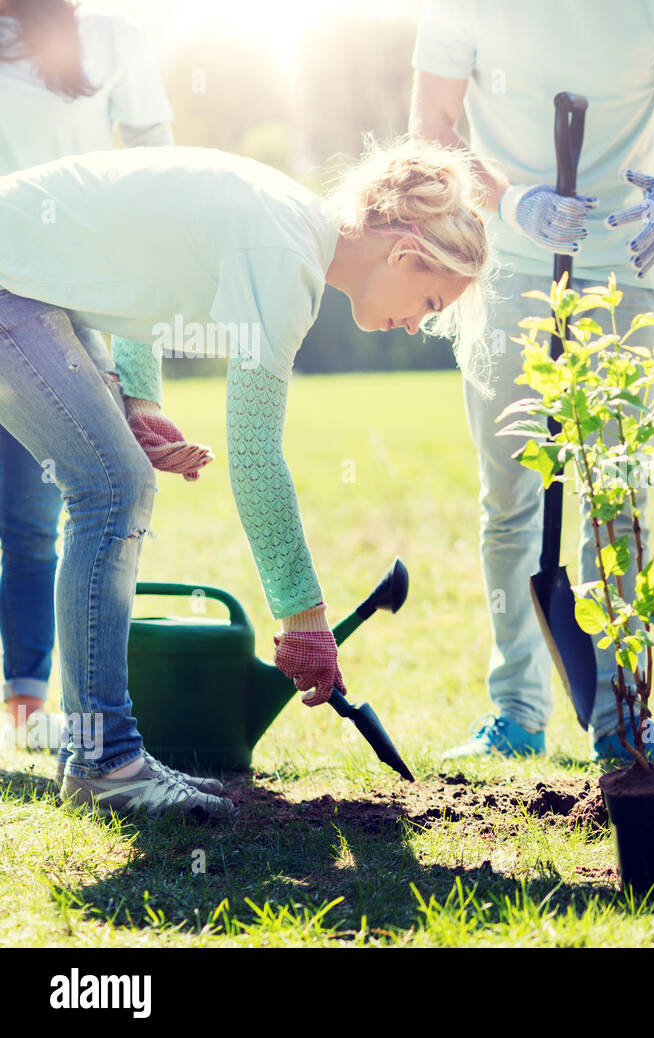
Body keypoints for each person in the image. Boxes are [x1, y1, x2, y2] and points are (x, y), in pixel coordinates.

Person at [0, 138, 488, 817]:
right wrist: (305, 621)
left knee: (114, 481)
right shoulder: (285, 259)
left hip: (27, 283)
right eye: (430, 301)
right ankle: (104, 761)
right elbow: (256, 455)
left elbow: (145, 266)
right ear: (405, 254)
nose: (415, 324)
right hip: (12, 280)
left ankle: (102, 756)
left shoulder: (289, 226)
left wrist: (139, 405)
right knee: (112, 488)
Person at [409, 0, 654, 761]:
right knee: (511, 499)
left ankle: (623, 714)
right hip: (509, 268)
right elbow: (430, 124)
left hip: (628, 269)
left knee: (618, 494)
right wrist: (512, 201)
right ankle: (516, 711)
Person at [0, 0, 174, 750]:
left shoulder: (113, 38)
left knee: (42, 515)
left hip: (62, 300)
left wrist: (140, 381)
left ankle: (30, 712)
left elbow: (157, 191)